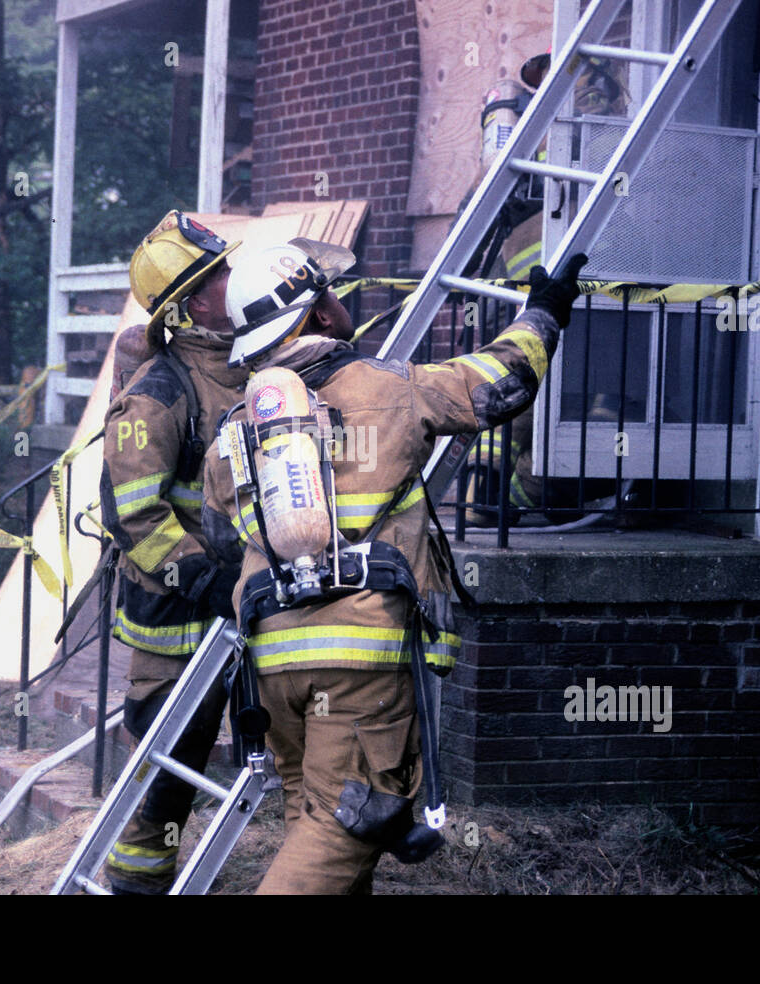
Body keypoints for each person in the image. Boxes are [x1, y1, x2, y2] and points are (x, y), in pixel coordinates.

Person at [201, 238, 586, 893]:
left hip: (271, 665)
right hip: (359, 658)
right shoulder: (388, 386)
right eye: (331, 294)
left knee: (315, 817)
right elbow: (501, 383)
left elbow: (218, 544)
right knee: (344, 830)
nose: (339, 302)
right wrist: (545, 309)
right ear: (320, 316)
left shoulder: (233, 433)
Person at [97, 210, 248, 894]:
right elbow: (134, 514)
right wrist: (203, 576)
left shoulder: (246, 368)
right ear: (189, 307)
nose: (231, 281)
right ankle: (136, 884)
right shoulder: (160, 394)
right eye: (217, 277)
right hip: (173, 616)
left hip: (240, 602)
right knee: (169, 764)